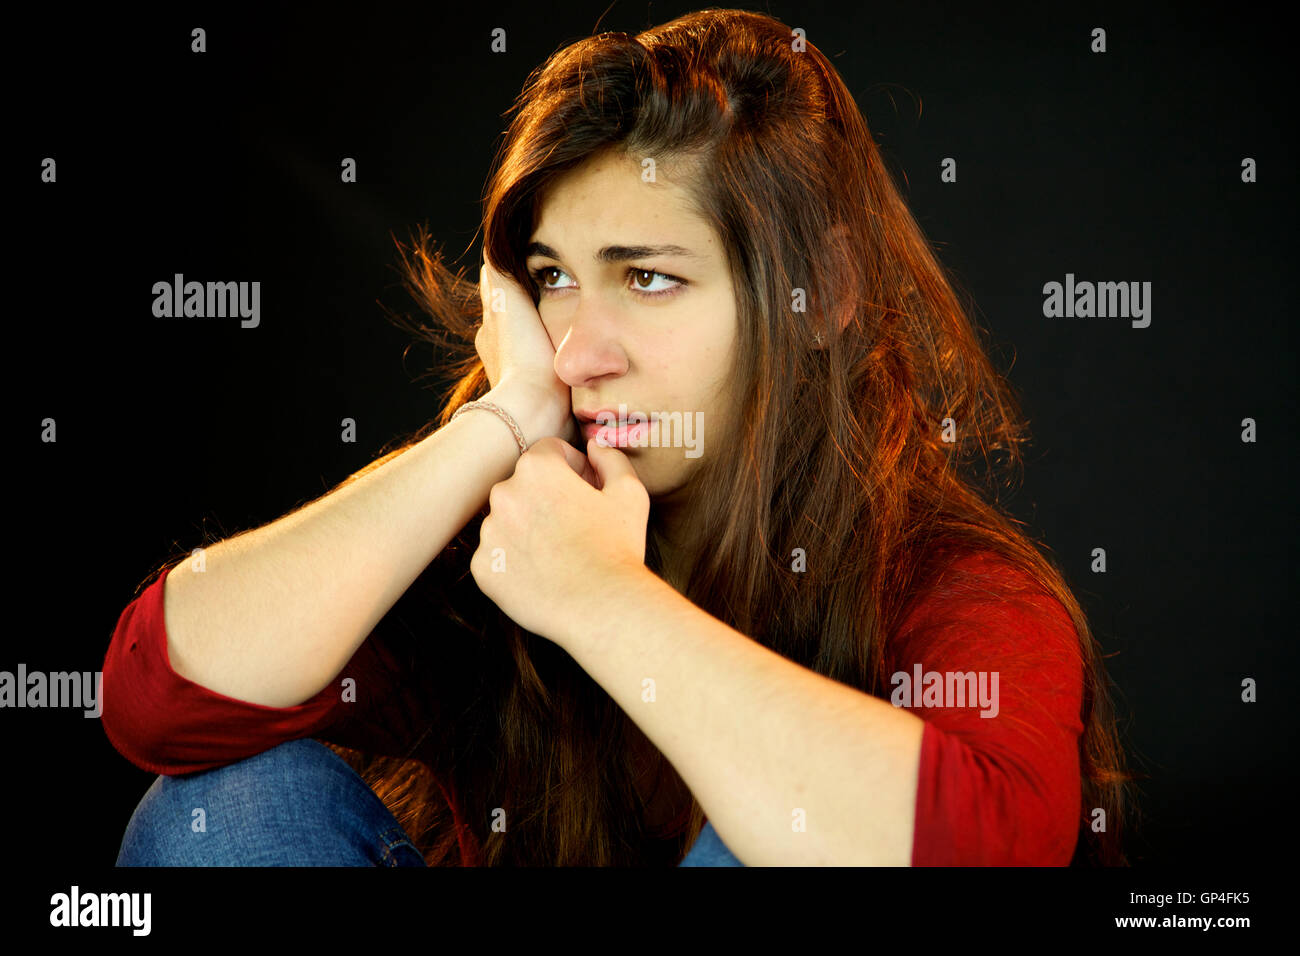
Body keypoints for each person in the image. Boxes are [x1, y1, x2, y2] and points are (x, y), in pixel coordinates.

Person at [104, 8, 1132, 867]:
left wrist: (598, 599)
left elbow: (979, 850)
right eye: (553, 278)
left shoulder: (957, 591)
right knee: (224, 807)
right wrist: (495, 423)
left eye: (648, 278)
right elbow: (158, 701)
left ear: (826, 295)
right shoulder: (489, 556)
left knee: (779, 820)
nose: (580, 349)